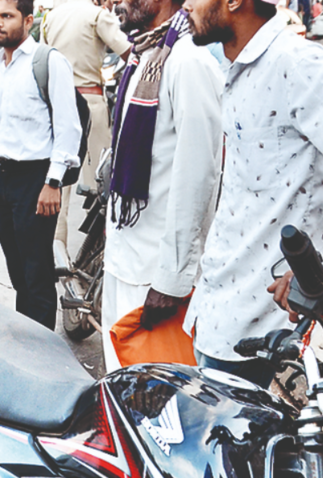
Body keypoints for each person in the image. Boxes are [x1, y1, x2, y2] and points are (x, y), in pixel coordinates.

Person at [182, 0, 323, 386]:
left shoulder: (296, 65)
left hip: (270, 330)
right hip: (218, 311)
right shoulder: (234, 69)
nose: (185, 4)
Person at [100, 3, 222, 372]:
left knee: (157, 403)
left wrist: (172, 280)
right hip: (126, 257)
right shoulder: (145, 55)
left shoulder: (189, 62)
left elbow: (199, 176)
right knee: (120, 389)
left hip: (156, 272)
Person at [0, 0, 83, 330]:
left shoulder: (48, 62)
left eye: (7, 16)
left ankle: (43, 357)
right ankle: (27, 341)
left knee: (36, 273)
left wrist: (53, 183)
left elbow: (68, 128)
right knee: (18, 271)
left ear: (29, 20)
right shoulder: (0, 66)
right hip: (3, 178)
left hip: (35, 178)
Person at [40, 0, 131, 246]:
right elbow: (129, 53)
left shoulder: (50, 17)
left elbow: (42, 58)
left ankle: (56, 246)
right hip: (89, 101)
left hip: (57, 104)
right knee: (104, 181)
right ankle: (107, 245)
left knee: (57, 181)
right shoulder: (97, 15)